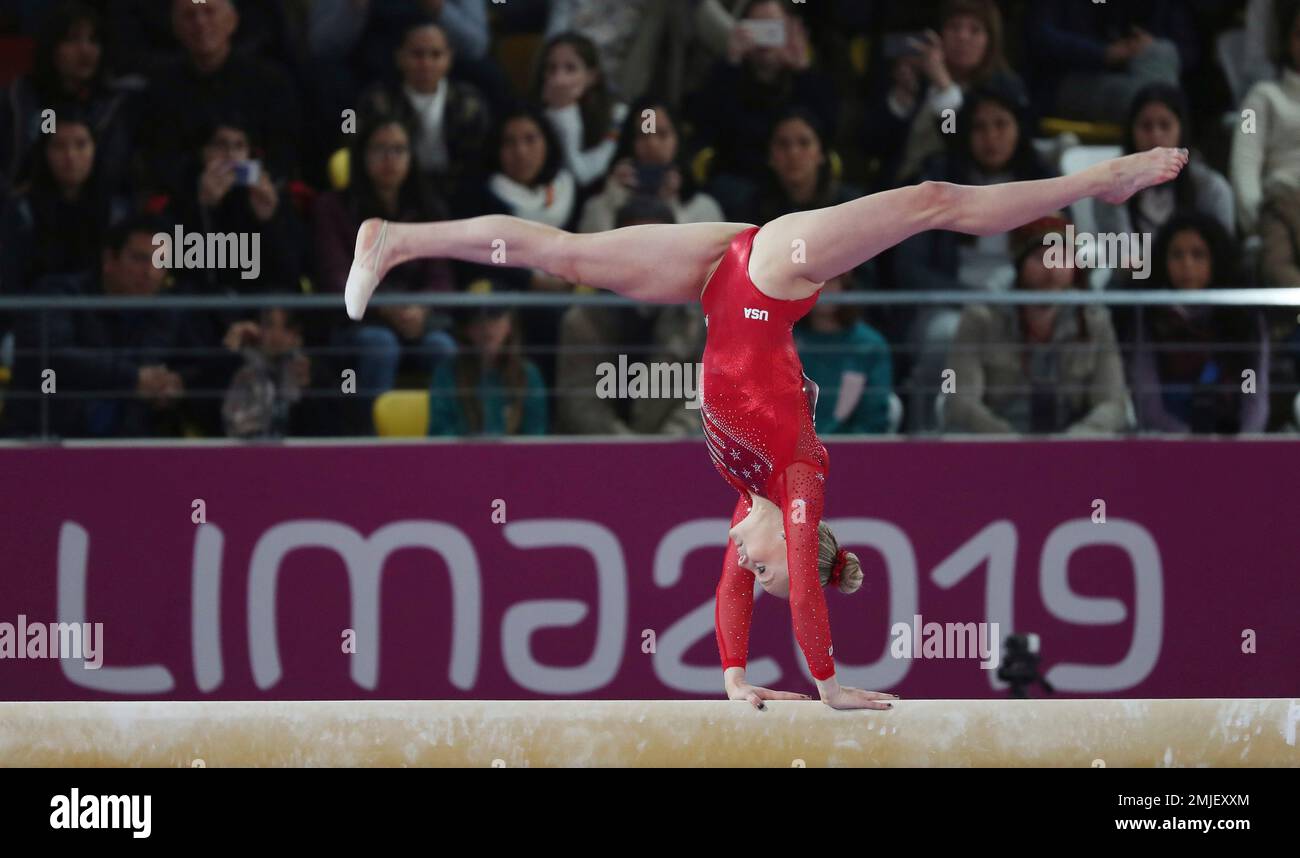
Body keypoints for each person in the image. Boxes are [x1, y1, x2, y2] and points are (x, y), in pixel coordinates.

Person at [342, 145, 1189, 707]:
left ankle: (397, 239)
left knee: (564, 255)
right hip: (776, 270)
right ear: (801, 538)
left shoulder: (745, 499)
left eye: (756, 565)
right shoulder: (798, 482)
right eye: (774, 565)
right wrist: (828, 682)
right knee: (935, 202)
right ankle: (1095, 183)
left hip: (724, 278)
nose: (748, 561)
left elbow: (733, 590)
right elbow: (807, 587)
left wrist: (738, 678)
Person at [945, 215, 1129, 435]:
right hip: (998, 451)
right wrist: (1016, 447)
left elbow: (1113, 403)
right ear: (1019, 264)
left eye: (1062, 258)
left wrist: (1072, 444)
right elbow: (960, 402)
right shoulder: (980, 318)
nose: (1052, 270)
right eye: (1041, 257)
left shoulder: (1095, 321)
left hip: (1076, 452)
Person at [1129, 214, 1270, 434]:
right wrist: (1193, 447)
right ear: (1163, 262)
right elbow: (1149, 403)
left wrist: (1241, 442)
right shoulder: (1150, 319)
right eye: (1177, 255)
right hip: (1171, 445)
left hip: (1234, 443)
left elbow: (1251, 389)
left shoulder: (1244, 321)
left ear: (1216, 260)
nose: (1187, 265)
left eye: (1198, 255)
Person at [577, 97, 724, 233]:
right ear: (629, 141)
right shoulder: (599, 205)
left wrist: (670, 207)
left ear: (678, 139)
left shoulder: (704, 208)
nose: (652, 144)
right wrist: (612, 202)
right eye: (643, 135)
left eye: (662, 134)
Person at [427, 279, 548, 437]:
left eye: (494, 316)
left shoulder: (528, 374)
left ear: (509, 323)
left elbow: (536, 436)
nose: (486, 327)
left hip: (516, 461)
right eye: (477, 319)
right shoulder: (446, 374)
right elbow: (440, 434)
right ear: (466, 328)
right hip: (462, 460)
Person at [1230, 0, 1300, 236]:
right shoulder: (1259, 100)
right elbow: (1244, 164)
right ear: (1288, 41)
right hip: (1281, 213)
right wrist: (1259, 225)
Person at [794, 275, 894, 434]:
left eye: (832, 279)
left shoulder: (869, 345)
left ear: (845, 286)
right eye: (816, 279)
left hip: (851, 449)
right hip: (793, 450)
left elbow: (873, 418)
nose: (824, 287)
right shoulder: (786, 341)